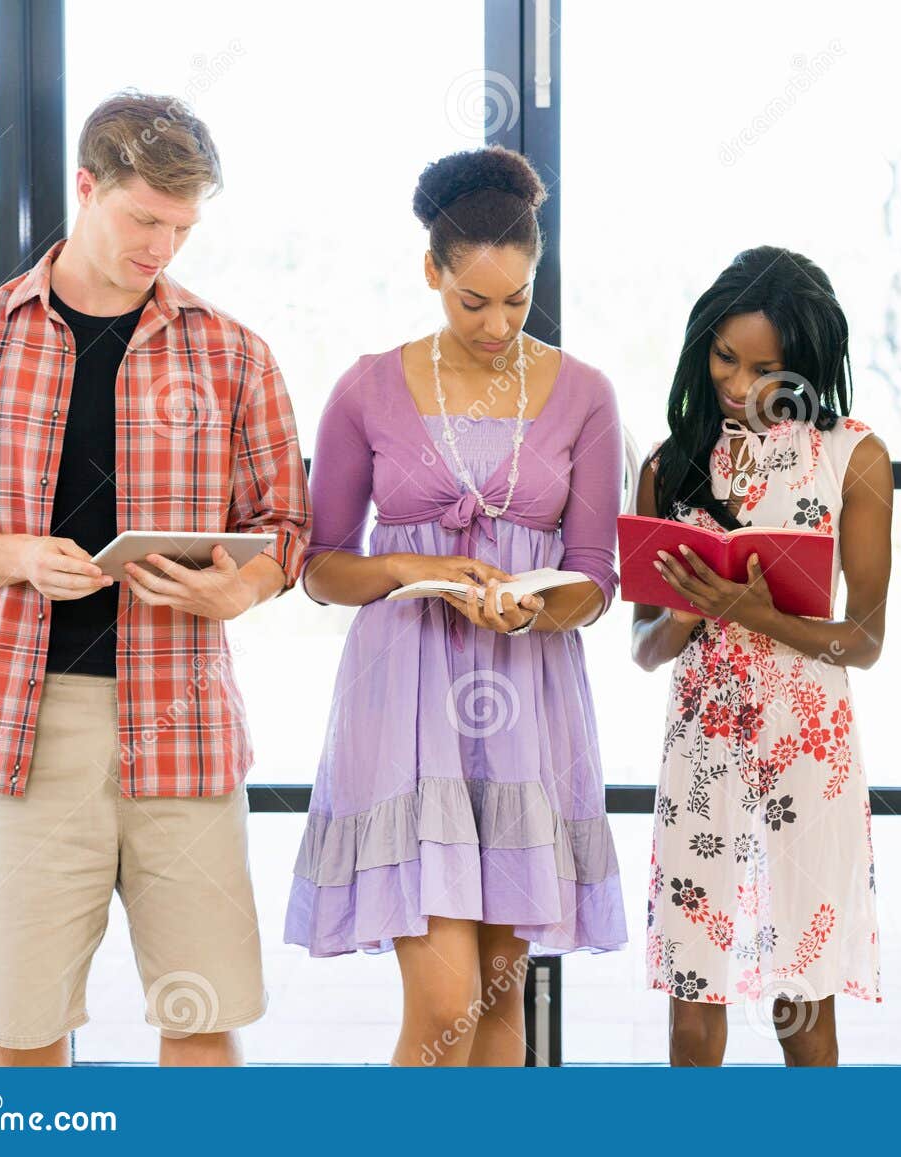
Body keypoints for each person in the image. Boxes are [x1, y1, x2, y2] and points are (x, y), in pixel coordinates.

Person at [0, 91, 311, 1067]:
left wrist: (238, 589)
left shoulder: (237, 354)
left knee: (200, 1013)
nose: (163, 246)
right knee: (24, 1023)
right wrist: (16, 555)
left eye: (183, 226)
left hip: (187, 718)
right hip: (35, 724)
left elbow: (285, 526)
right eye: (144, 219)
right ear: (86, 186)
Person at [285, 146, 626, 1067]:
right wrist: (402, 564)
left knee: (500, 1009)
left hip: (527, 705)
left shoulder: (587, 394)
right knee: (444, 1009)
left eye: (517, 299)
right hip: (404, 703)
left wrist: (533, 607)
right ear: (431, 272)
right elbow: (318, 566)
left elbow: (596, 576)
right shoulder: (365, 387)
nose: (497, 322)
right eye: (473, 300)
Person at [632, 246, 893, 1066]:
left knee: (802, 1002)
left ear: (808, 365)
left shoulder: (854, 458)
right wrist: (690, 612)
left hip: (807, 752)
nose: (738, 385)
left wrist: (755, 612)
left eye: (765, 367)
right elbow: (644, 648)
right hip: (703, 747)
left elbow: (866, 640)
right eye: (724, 357)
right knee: (692, 995)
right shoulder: (668, 465)